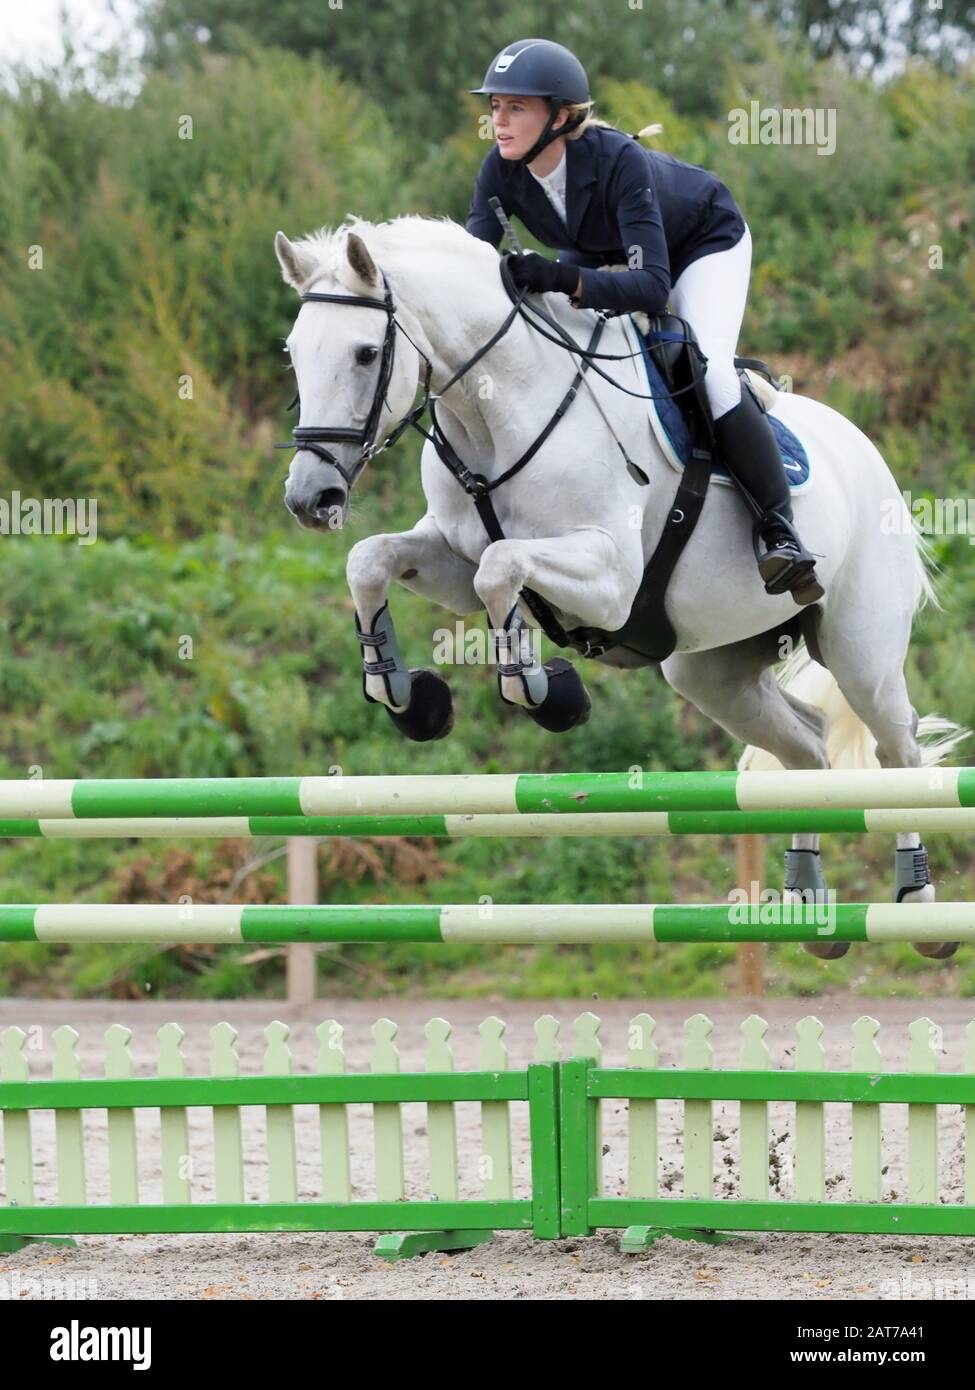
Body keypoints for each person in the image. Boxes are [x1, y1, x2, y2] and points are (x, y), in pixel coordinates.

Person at [465, 37, 822, 604]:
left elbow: (654, 286)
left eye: (515, 108)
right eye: (495, 108)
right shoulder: (500, 170)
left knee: (710, 373)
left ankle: (778, 532)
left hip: (702, 242)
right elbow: (471, 263)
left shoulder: (617, 161)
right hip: (604, 247)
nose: (498, 123)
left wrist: (557, 278)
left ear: (560, 116)